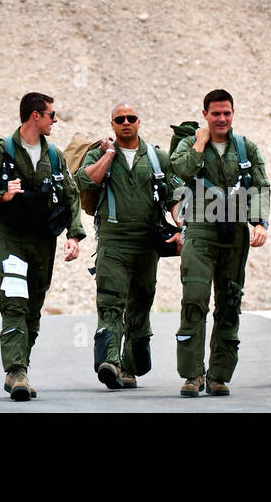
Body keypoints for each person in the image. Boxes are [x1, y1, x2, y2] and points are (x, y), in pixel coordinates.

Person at [0, 92, 85, 401]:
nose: (55, 120)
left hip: (43, 241)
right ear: (35, 116)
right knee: (15, 303)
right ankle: (16, 371)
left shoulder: (55, 155)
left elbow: (70, 195)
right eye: (51, 115)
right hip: (11, 239)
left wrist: (74, 235)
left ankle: (21, 368)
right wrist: (1, 197)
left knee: (33, 308)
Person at [168, 88, 270, 397]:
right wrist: (199, 144)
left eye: (226, 113)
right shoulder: (189, 144)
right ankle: (192, 375)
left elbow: (262, 185)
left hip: (235, 232)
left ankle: (219, 375)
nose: (221, 119)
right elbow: (180, 171)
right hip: (200, 229)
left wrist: (258, 221)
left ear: (233, 114)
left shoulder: (245, 148)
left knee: (229, 303)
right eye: (215, 113)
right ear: (205, 115)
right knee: (195, 299)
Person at [75, 102, 184, 390]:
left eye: (131, 118)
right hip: (113, 241)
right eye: (119, 119)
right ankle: (109, 362)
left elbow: (174, 196)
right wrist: (109, 155)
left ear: (139, 121)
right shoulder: (98, 154)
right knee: (110, 302)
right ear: (112, 124)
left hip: (146, 243)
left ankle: (130, 366)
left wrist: (182, 225)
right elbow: (84, 182)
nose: (126, 122)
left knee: (141, 301)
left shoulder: (157, 157)